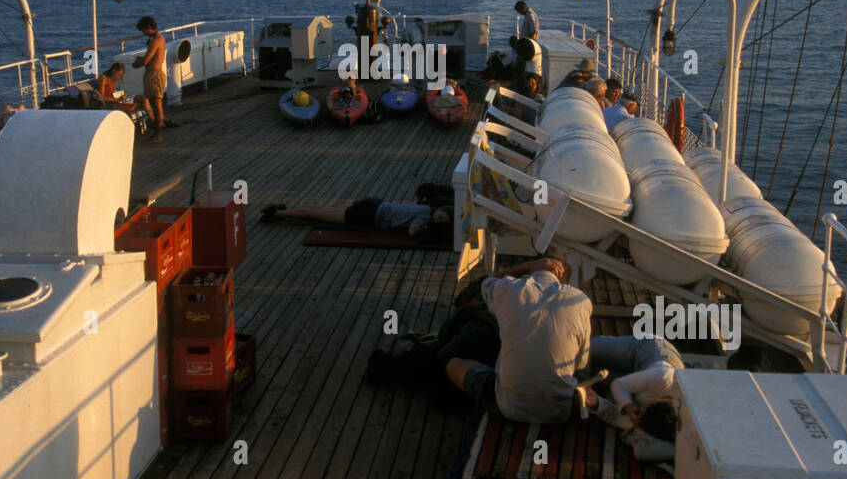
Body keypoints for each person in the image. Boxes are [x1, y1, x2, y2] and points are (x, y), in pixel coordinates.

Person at [444, 257, 592, 425]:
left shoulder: (508, 289)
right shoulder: (581, 301)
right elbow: (581, 365)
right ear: (564, 280)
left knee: (453, 365)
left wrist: (527, 265)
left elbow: (485, 283)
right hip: (560, 411)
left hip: (509, 408)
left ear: (530, 272)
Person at [575, 334, 682, 460]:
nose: (640, 410)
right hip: (644, 351)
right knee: (586, 348)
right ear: (662, 400)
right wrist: (629, 407)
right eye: (644, 409)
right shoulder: (665, 378)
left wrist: (596, 404)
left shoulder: (653, 424)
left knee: (594, 373)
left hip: (636, 378)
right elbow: (618, 384)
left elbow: (615, 417)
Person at [260, 197, 452, 241]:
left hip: (373, 204)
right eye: (441, 216)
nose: (439, 220)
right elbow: (412, 231)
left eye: (443, 221)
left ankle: (284, 211)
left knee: (319, 211)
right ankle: (277, 214)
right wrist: (425, 229)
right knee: (317, 214)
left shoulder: (426, 208)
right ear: (439, 210)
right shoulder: (424, 215)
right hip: (367, 215)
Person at [132, 16, 167, 142]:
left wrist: (136, 63)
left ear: (148, 28)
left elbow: (146, 60)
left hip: (154, 75)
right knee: (155, 104)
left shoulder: (156, 40)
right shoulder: (158, 39)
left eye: (143, 31)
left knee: (156, 105)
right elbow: (150, 57)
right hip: (153, 74)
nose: (143, 34)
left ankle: (157, 135)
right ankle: (158, 131)